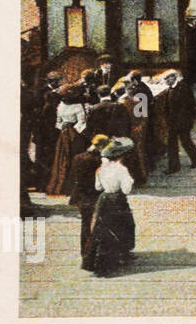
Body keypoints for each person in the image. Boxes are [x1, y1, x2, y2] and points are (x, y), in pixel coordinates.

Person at [84, 137, 137, 277]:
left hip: (104, 199)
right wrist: (130, 181)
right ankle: (121, 255)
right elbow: (126, 189)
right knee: (123, 226)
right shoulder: (122, 169)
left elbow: (98, 187)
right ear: (120, 156)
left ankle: (98, 261)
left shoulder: (101, 170)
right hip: (117, 199)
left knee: (102, 229)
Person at [68, 134, 109, 265]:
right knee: (95, 225)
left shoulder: (77, 158)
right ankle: (91, 256)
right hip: (93, 196)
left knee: (85, 225)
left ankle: (84, 252)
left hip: (80, 197)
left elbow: (72, 179)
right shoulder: (99, 161)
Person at [46, 84, 90, 196]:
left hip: (75, 135)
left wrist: (73, 129)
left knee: (73, 157)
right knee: (62, 158)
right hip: (64, 134)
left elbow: (82, 121)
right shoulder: (60, 106)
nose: (65, 99)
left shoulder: (78, 106)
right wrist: (63, 127)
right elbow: (58, 121)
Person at [160, 69, 196, 174]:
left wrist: (186, 120)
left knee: (184, 141)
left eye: (168, 78)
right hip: (174, 122)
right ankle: (175, 166)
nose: (166, 81)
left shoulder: (183, 88)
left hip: (182, 122)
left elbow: (189, 105)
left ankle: (194, 158)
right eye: (165, 79)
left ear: (174, 77)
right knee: (174, 143)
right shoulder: (169, 90)